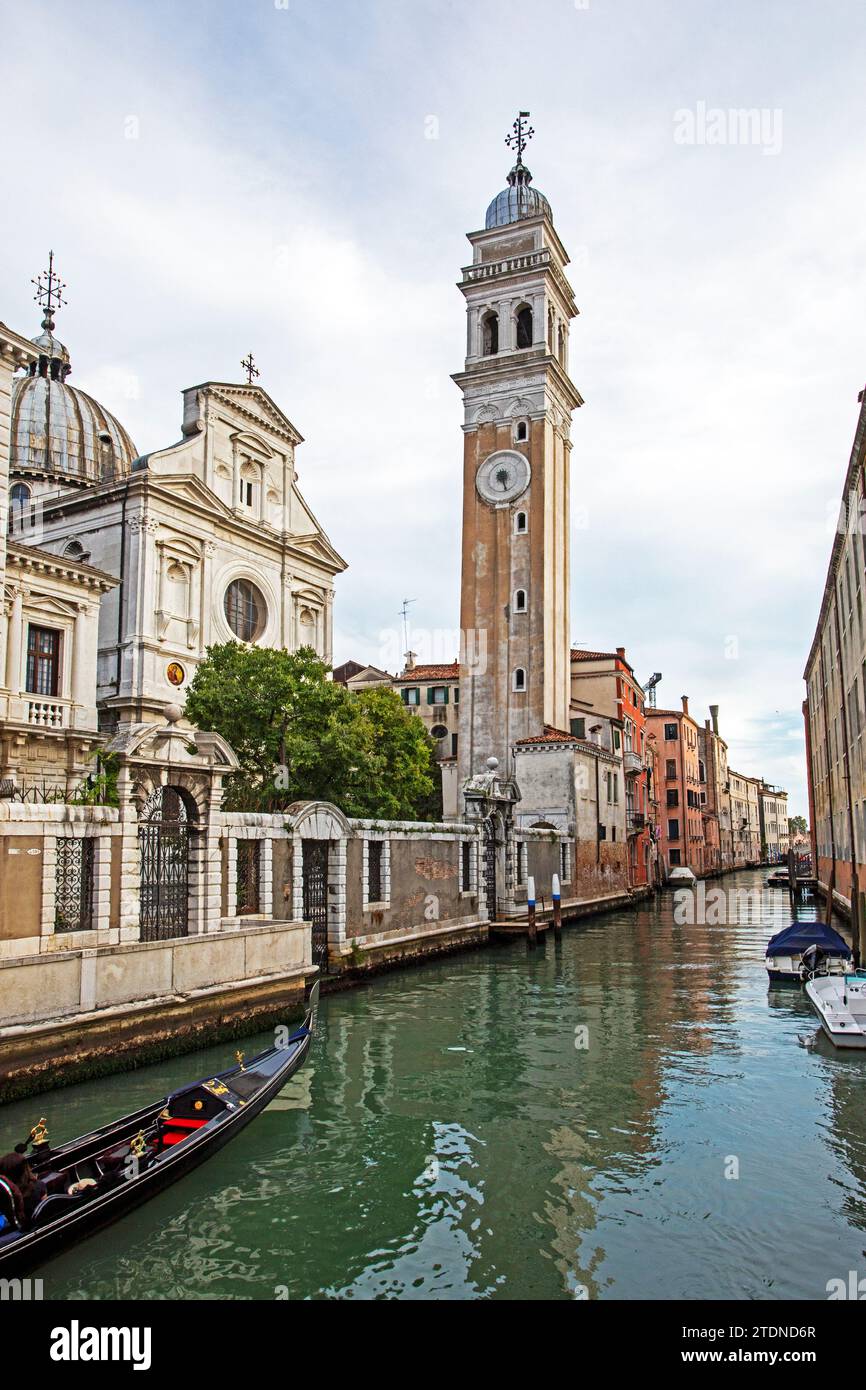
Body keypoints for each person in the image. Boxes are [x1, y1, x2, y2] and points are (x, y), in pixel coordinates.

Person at [0, 1152, 46, 1223]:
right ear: (25, 1169)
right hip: (38, 1224)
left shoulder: (5, 1196)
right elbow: (45, 1207)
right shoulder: (40, 1185)